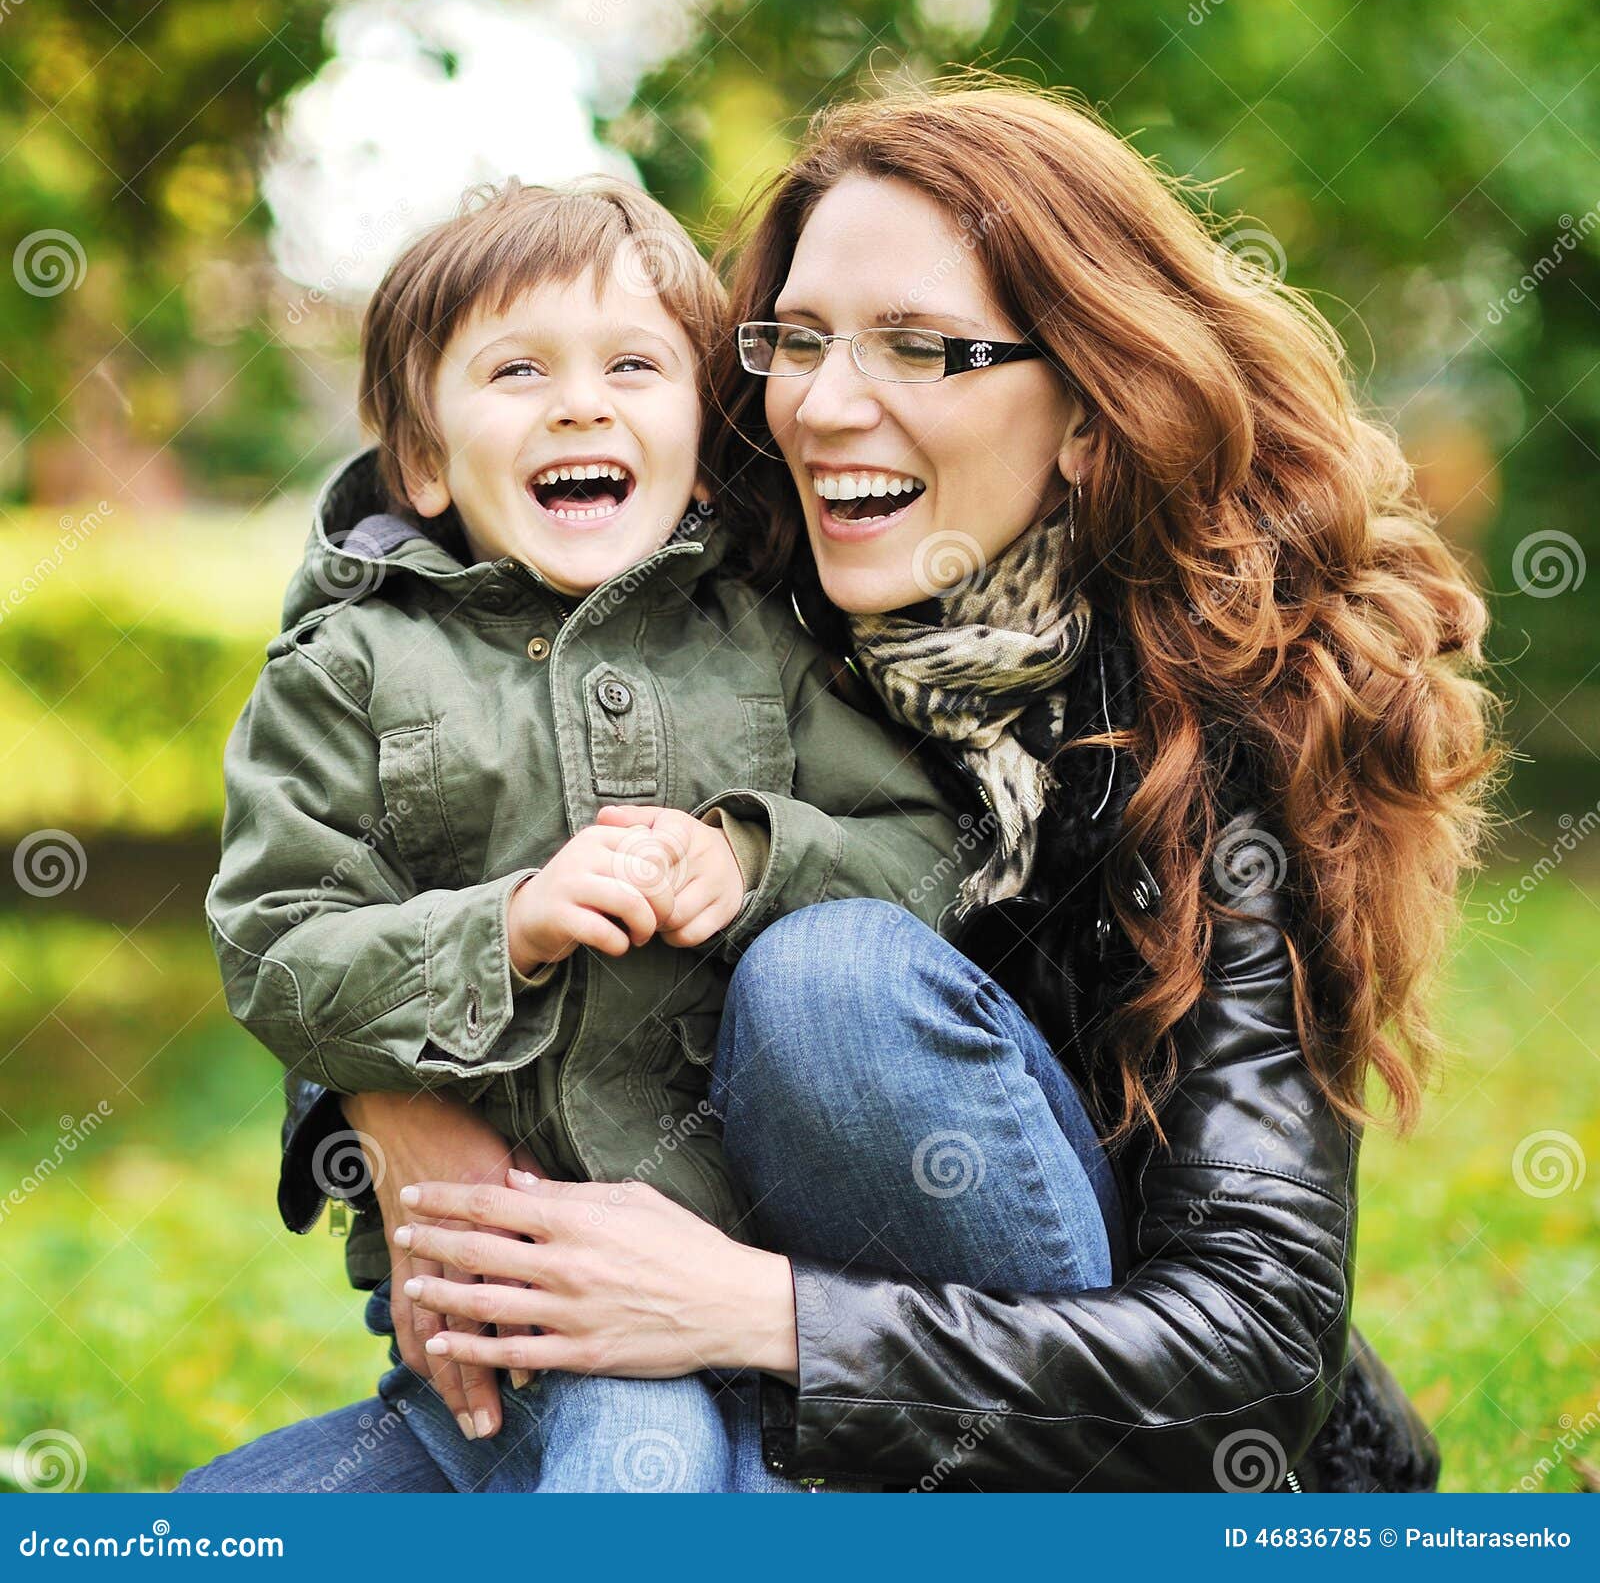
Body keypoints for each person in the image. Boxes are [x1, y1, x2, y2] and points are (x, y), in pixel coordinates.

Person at [197, 75, 1494, 1492]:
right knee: (231, 1520)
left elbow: (1252, 1343)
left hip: (1104, 1443)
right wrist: (382, 1102)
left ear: (1086, 412)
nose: (822, 401)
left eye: (923, 347)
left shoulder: (1219, 721)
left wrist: (749, 1307)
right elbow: (382, 814)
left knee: (830, 982)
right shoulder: (722, 589)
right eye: (796, 340)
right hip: (699, 1384)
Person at [185, 176, 977, 1493]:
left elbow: (928, 854)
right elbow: (275, 949)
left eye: (632, 364)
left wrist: (751, 856)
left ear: (705, 434)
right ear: (425, 459)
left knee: (644, 1475)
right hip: (527, 1307)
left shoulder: (758, 639)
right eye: (516, 369)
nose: (579, 402)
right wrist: (505, 928)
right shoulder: (352, 670)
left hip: (750, 1262)